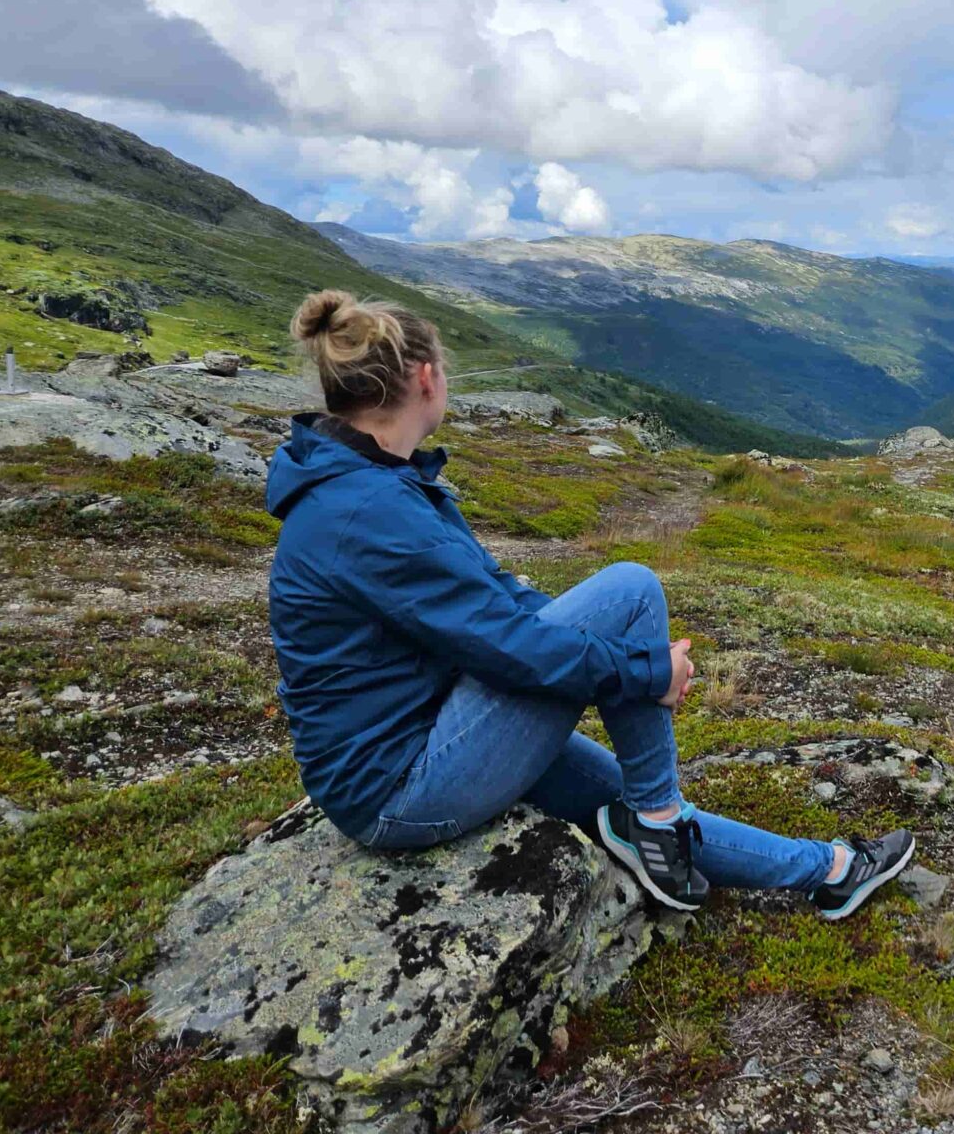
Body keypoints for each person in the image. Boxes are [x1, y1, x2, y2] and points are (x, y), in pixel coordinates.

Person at [264, 288, 914, 920]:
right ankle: (658, 825)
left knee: (621, 799)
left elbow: (495, 602)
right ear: (427, 379)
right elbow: (505, 642)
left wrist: (610, 651)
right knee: (632, 589)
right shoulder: (366, 509)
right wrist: (644, 671)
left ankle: (827, 872)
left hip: (432, 728)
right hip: (399, 783)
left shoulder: (372, 486)